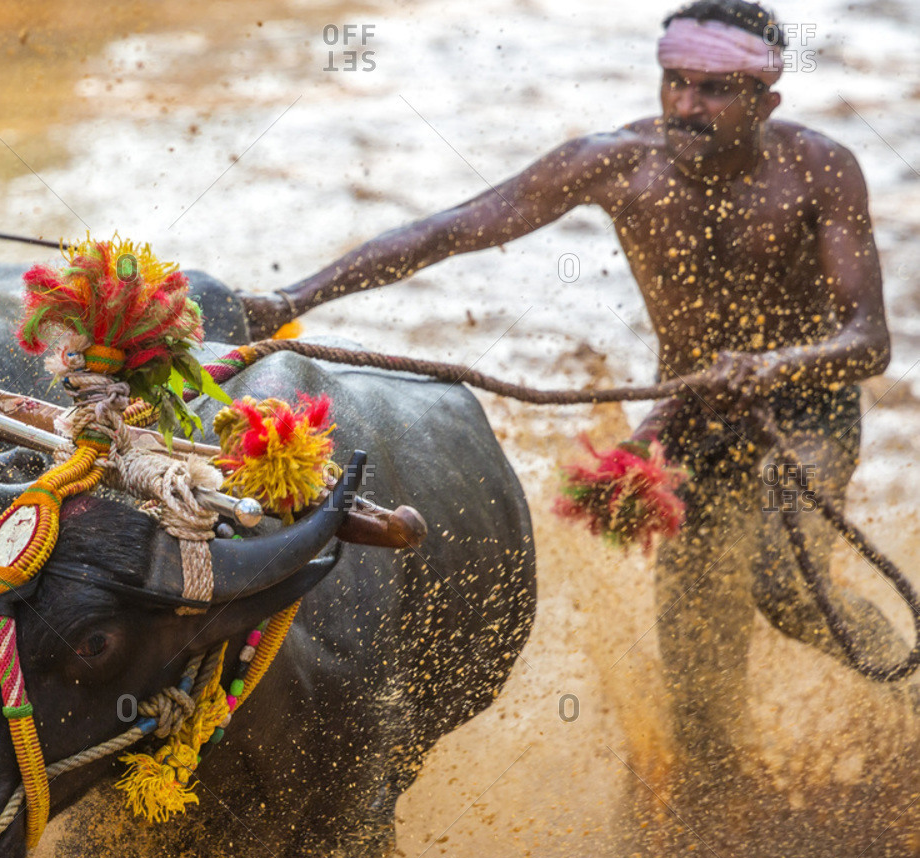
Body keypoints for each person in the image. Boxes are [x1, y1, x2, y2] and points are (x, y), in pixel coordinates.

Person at [242, 0, 907, 777]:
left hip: (801, 410)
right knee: (697, 686)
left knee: (788, 583)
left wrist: (770, 366)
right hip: (687, 421)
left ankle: (911, 701)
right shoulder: (618, 161)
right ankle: (723, 835)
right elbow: (452, 229)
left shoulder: (820, 169)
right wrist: (295, 300)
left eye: (715, 90)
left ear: (767, 101)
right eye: (676, 82)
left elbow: (869, 342)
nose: (686, 106)